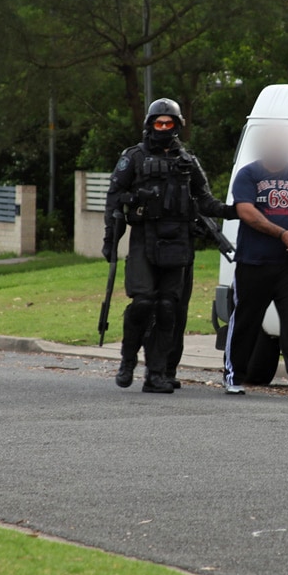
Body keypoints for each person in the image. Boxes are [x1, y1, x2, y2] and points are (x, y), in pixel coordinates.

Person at [103, 98, 236, 393]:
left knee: (168, 308)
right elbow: (114, 197)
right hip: (144, 240)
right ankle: (128, 361)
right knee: (142, 303)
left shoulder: (188, 163)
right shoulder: (133, 158)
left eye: (169, 123)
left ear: (177, 126)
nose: (164, 128)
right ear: (149, 125)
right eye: (159, 123)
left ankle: (157, 374)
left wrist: (235, 210)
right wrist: (110, 238)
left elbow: (205, 200)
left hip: (178, 242)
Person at [224, 126, 288, 399]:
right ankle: (234, 377)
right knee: (246, 320)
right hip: (253, 262)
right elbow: (246, 211)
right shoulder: (249, 175)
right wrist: (281, 233)